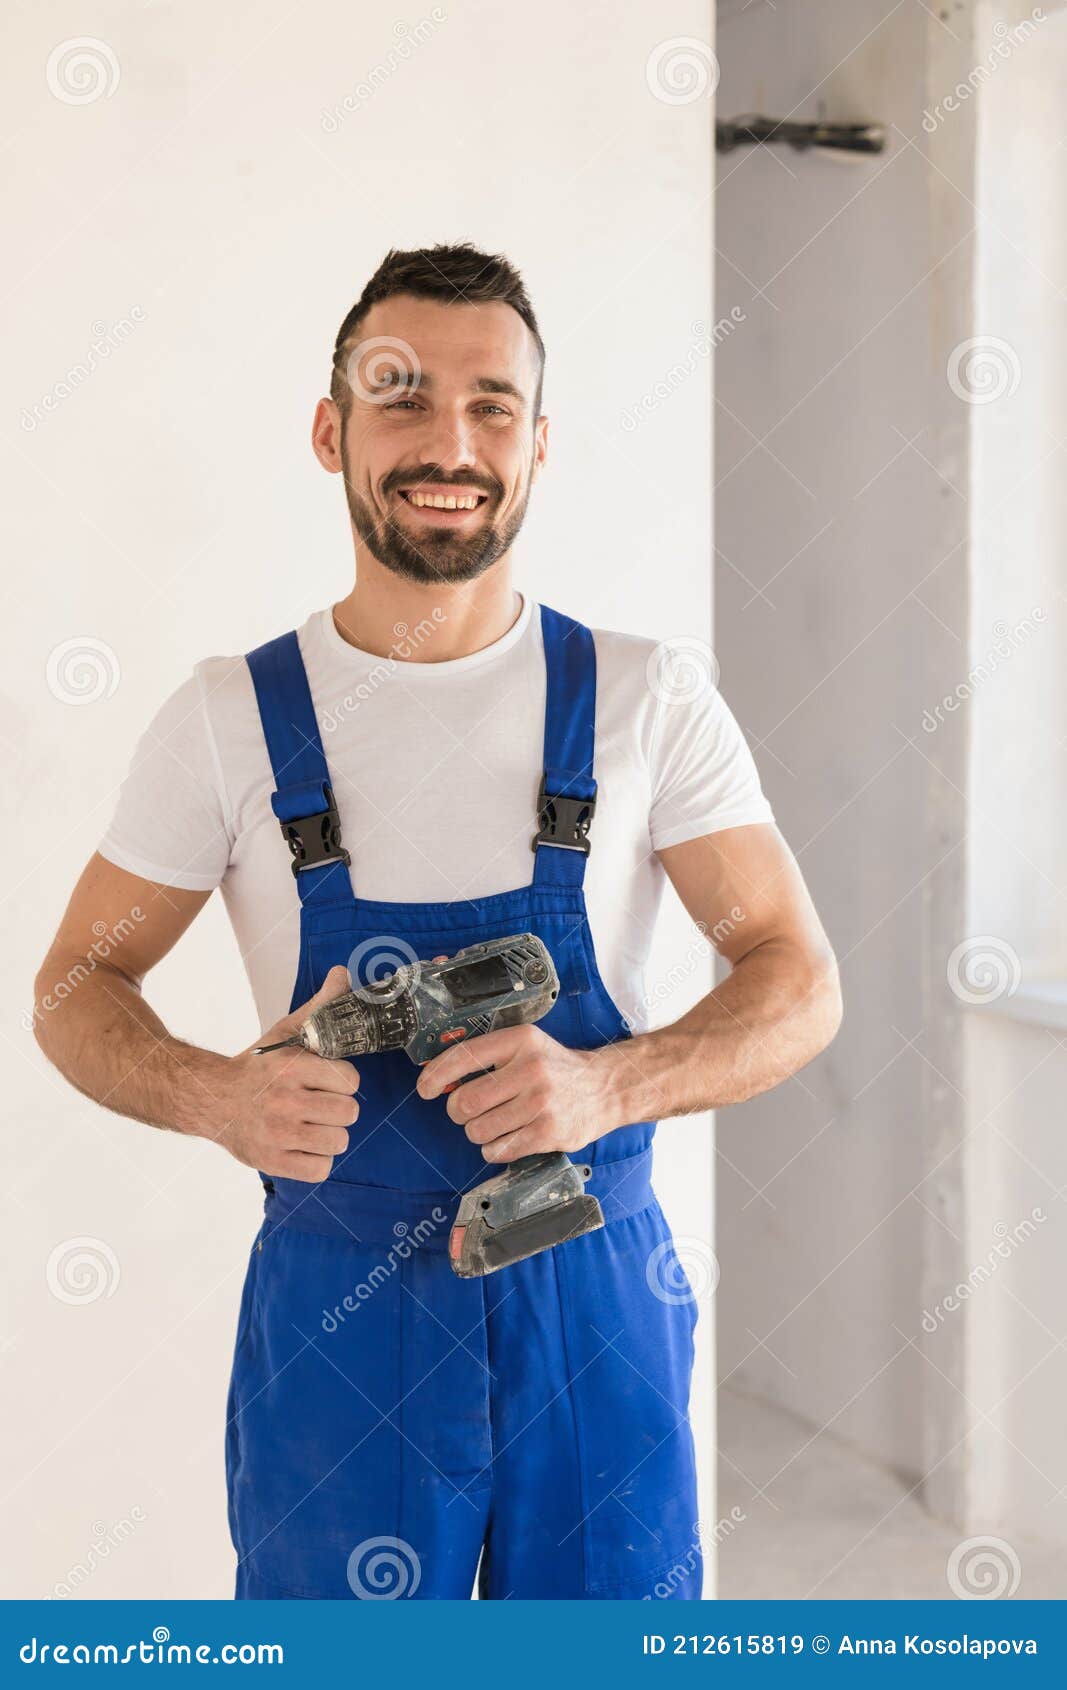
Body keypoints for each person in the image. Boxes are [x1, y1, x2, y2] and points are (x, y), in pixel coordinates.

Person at [34, 242, 842, 1601]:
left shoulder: (647, 698)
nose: (448, 439)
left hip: (590, 1301)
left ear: (539, 441)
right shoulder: (229, 719)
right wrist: (215, 1096)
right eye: (400, 394)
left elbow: (800, 979)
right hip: (341, 1311)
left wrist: (606, 1082)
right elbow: (75, 979)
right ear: (330, 429)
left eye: (491, 403)